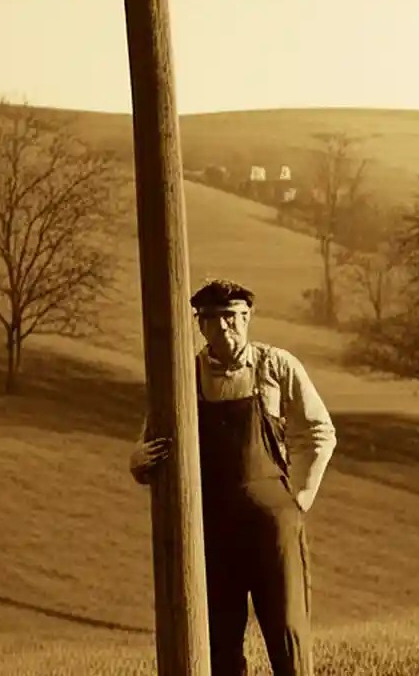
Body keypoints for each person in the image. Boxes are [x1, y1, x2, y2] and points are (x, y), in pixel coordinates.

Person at [129, 278, 337, 676]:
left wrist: (301, 495)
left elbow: (319, 431)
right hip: (211, 526)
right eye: (210, 319)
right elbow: (150, 443)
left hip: (272, 524)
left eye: (230, 318)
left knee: (287, 628)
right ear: (199, 325)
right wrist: (139, 459)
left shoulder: (276, 365)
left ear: (247, 318)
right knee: (219, 635)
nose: (222, 327)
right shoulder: (183, 375)